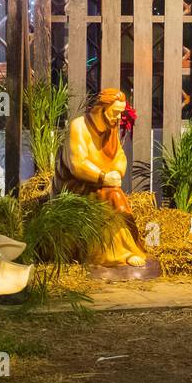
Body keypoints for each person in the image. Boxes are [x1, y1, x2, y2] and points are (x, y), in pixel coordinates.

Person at [54, 88, 148, 267]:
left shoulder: (110, 129)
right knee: (111, 195)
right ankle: (117, 254)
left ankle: (128, 247)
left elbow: (120, 157)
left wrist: (116, 173)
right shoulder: (79, 126)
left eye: (121, 114)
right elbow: (77, 164)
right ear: (101, 109)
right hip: (75, 185)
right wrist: (103, 177)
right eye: (115, 113)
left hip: (101, 184)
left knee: (112, 193)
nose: (119, 118)